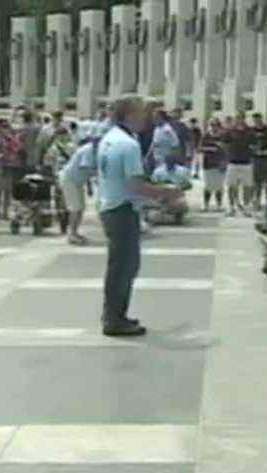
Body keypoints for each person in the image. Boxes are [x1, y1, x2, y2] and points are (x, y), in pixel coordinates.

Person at [96, 95, 165, 337]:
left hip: (110, 206)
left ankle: (114, 314)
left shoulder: (110, 139)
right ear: (128, 115)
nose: (145, 117)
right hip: (123, 210)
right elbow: (136, 184)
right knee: (125, 267)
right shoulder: (129, 145)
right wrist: (165, 193)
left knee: (118, 266)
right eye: (140, 112)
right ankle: (115, 319)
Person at [223, 112, 255, 216]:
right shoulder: (230, 131)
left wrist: (250, 151)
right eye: (237, 118)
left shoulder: (250, 131)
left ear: (244, 119)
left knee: (247, 186)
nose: (239, 120)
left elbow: (255, 144)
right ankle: (231, 207)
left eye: (241, 118)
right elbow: (223, 142)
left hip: (246, 162)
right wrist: (229, 152)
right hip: (233, 162)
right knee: (231, 185)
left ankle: (246, 207)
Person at [0, 118, 22, 221]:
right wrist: (0, 154)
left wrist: (11, 138)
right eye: (3, 127)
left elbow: (17, 147)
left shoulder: (11, 138)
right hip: (0, 165)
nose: (5, 129)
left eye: (7, 126)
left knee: (8, 190)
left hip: (10, 165)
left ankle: (5, 212)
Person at [198, 118, 227, 212]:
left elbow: (226, 150)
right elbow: (200, 148)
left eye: (216, 125)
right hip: (208, 163)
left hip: (219, 164)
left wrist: (224, 162)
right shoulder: (206, 135)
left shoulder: (223, 136)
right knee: (208, 186)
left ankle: (219, 205)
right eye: (212, 125)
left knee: (219, 186)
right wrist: (211, 149)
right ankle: (206, 204)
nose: (214, 127)